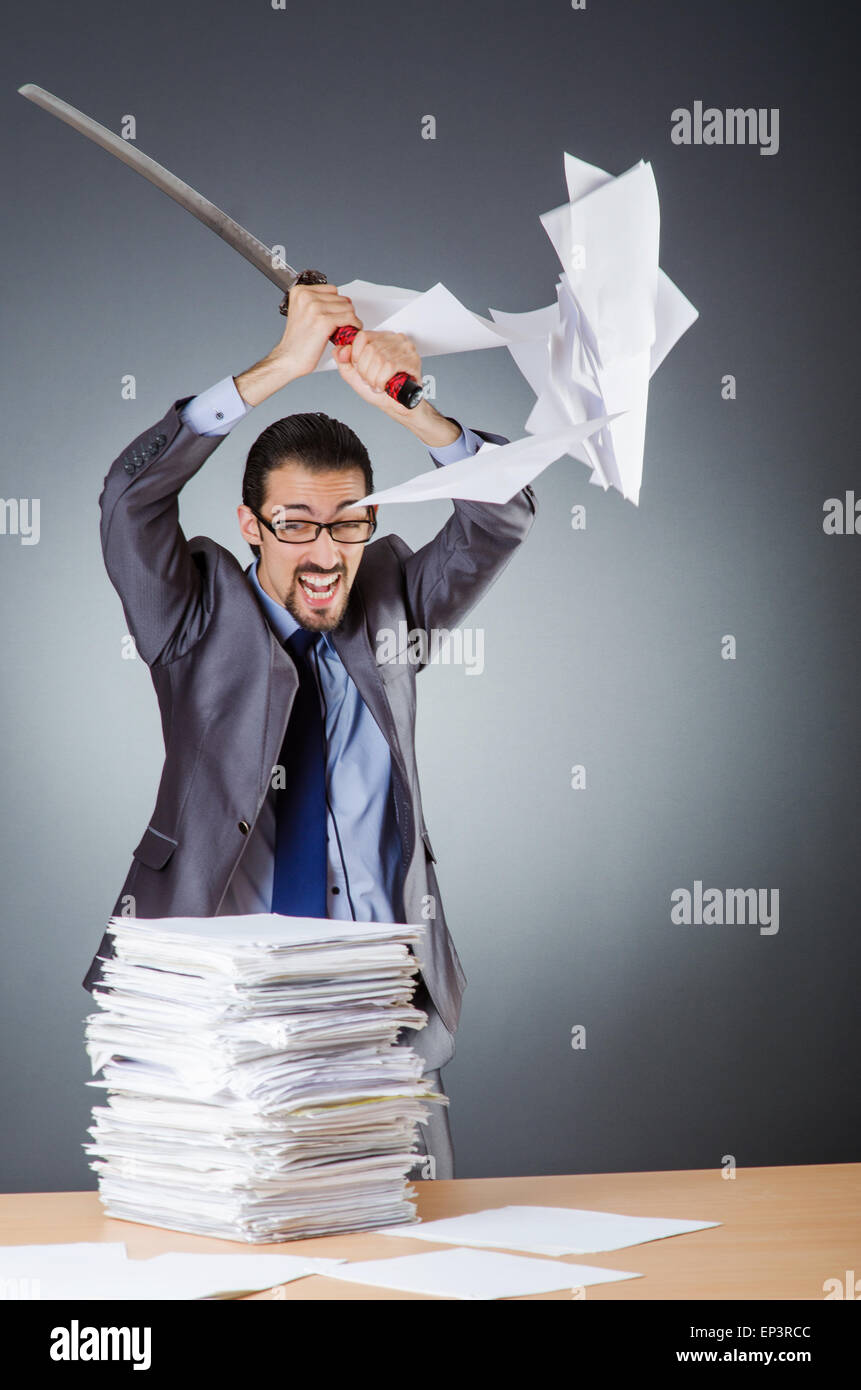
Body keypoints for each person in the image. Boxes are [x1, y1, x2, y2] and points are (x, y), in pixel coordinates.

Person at [82, 282, 537, 1177]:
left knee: (406, 1248)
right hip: (221, 1013)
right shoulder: (191, 610)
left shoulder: (392, 601)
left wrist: (413, 408)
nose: (326, 552)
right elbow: (127, 498)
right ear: (251, 524)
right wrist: (281, 368)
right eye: (296, 525)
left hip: (378, 1011)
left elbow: (503, 511)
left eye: (350, 522)